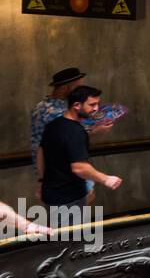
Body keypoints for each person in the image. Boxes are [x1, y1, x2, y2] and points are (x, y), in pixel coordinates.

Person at [30, 67, 119, 204]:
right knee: (74, 217)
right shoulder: (58, 115)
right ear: (66, 88)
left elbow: (41, 150)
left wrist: (41, 179)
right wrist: (105, 179)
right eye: (79, 87)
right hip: (65, 180)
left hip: (50, 178)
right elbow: (77, 160)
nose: (81, 90)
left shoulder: (43, 107)